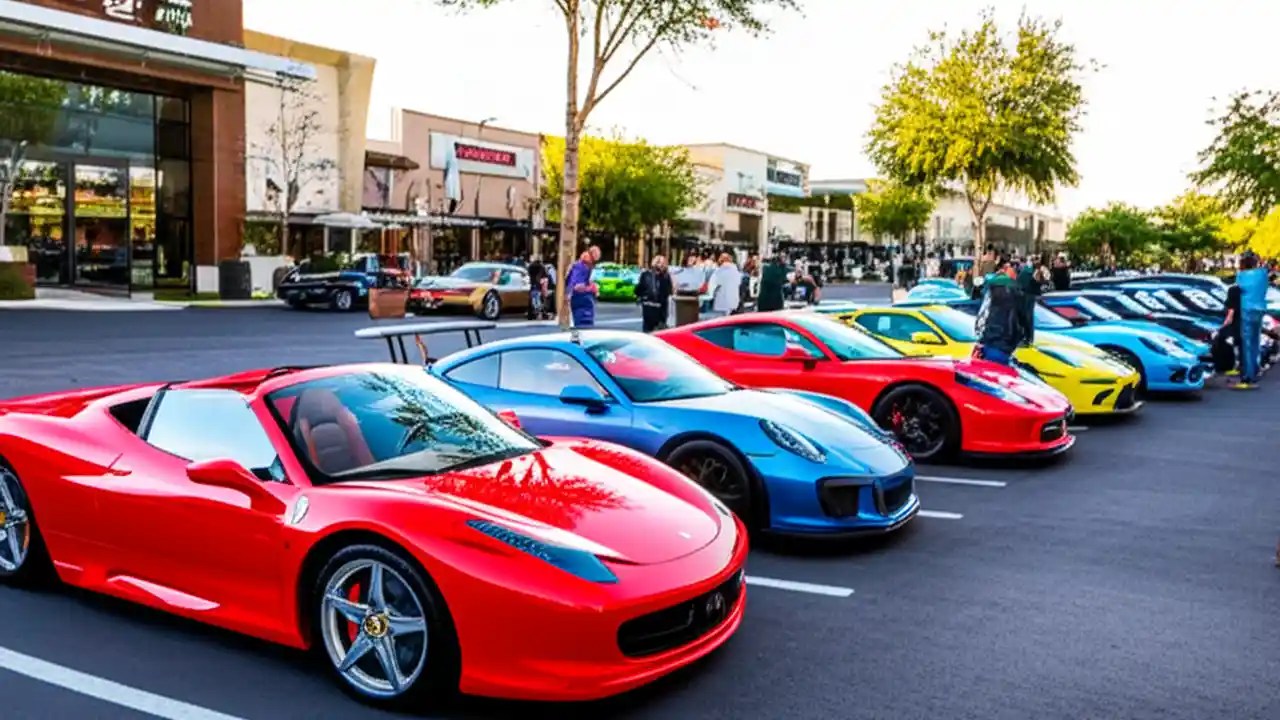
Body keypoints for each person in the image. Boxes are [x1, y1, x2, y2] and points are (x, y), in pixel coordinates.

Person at [973, 271, 1023, 365]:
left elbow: (980, 324)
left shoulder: (992, 306)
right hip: (1003, 349)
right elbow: (1019, 329)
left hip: (991, 347)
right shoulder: (1013, 305)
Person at [1235, 252, 1268, 388]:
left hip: (1246, 309)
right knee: (1256, 341)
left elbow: (1238, 289)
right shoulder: (1262, 274)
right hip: (1259, 309)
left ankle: (1248, 375)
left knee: (1247, 343)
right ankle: (1255, 369)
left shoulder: (1241, 276)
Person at [635, 255, 673, 333]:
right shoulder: (647, 274)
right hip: (652, 306)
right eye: (659, 263)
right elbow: (639, 289)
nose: (661, 265)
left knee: (655, 328)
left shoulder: (665, 276)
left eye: (663, 263)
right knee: (652, 329)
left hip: (656, 306)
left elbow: (669, 291)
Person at [566, 245, 600, 328]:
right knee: (584, 325)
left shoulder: (580, 265)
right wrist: (592, 288)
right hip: (582, 298)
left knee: (580, 325)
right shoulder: (582, 266)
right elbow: (577, 286)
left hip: (576, 298)